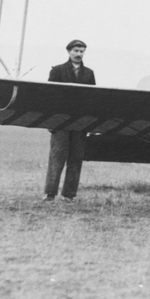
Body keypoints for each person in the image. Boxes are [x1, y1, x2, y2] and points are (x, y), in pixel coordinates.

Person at [43, 39, 96, 202]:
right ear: (69, 52)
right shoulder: (57, 71)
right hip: (61, 122)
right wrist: (51, 122)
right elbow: (49, 97)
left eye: (82, 51)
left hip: (80, 123)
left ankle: (69, 195)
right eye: (76, 51)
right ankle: (50, 193)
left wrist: (89, 123)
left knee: (76, 158)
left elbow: (93, 99)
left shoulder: (89, 73)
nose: (79, 54)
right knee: (57, 157)